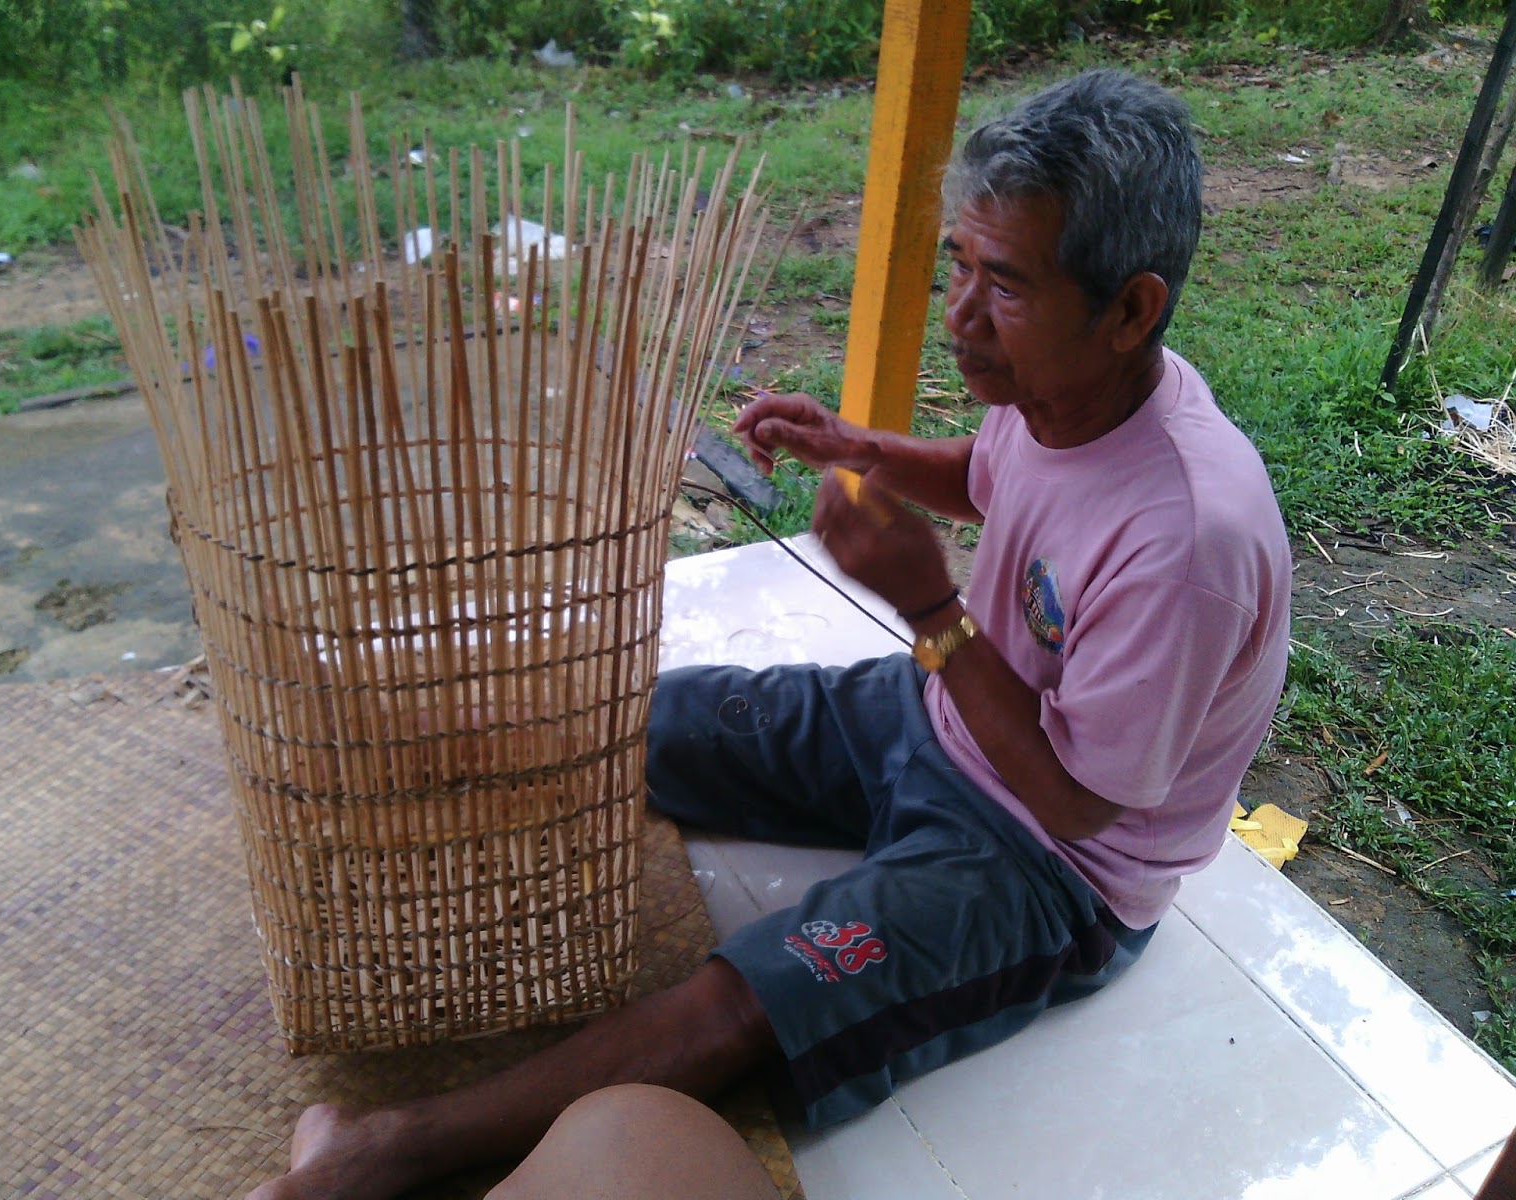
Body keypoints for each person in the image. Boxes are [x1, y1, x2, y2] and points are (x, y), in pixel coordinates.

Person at [244, 67, 1292, 1200]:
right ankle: (373, 747)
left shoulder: (1191, 538)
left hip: (1051, 864)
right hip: (944, 716)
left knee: (748, 997)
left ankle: (385, 1149)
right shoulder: (1059, 389)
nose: (960, 315)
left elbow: (1081, 801)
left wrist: (932, 609)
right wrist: (857, 445)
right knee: (645, 719)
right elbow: (989, 478)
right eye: (958, 265)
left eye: (1005, 284)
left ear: (1131, 307)